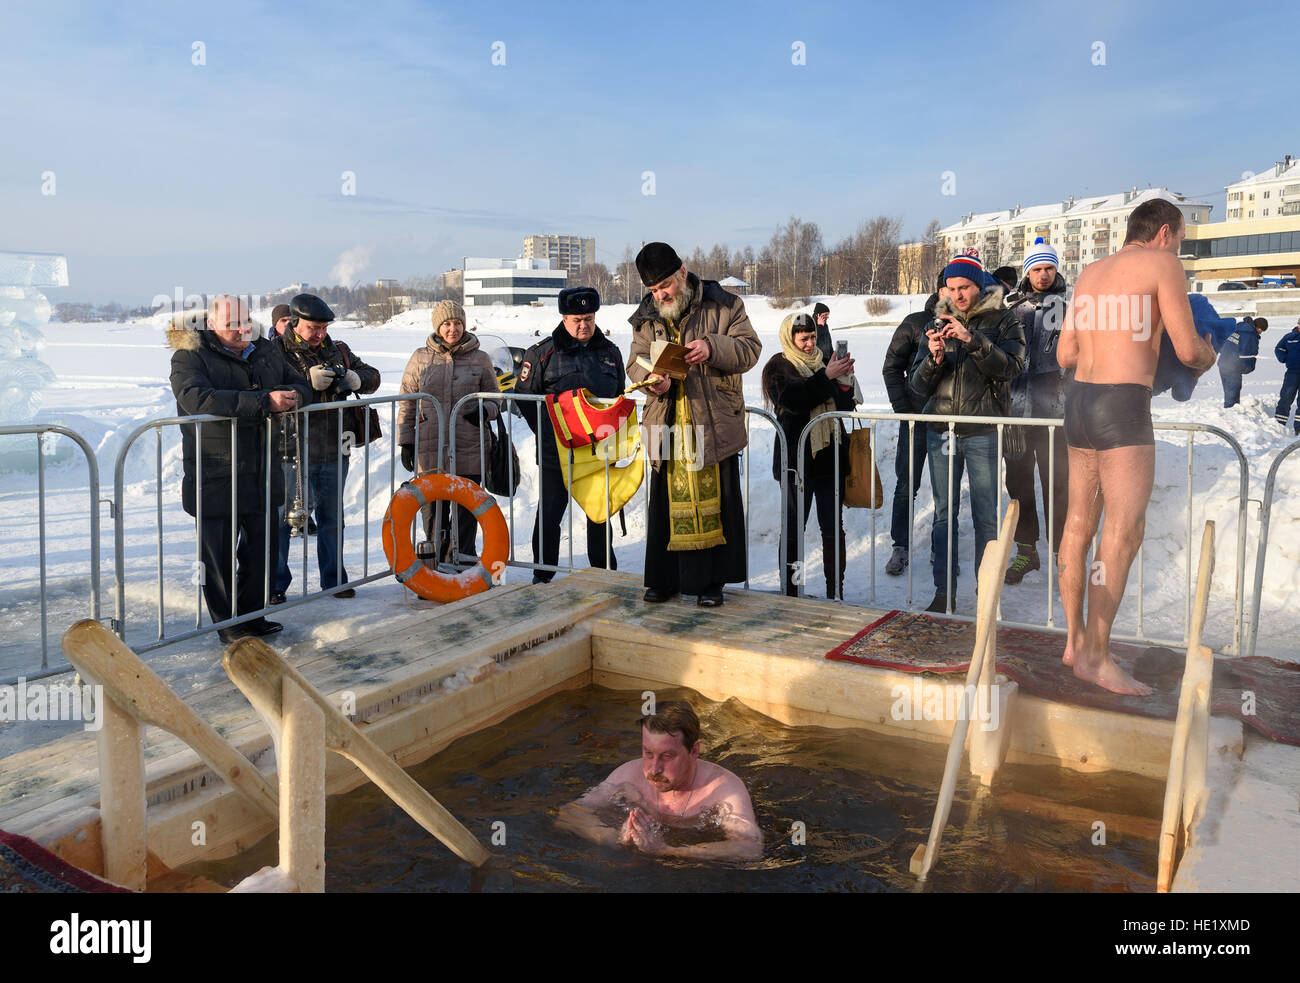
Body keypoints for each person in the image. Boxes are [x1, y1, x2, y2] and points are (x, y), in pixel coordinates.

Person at [1056, 198, 1216, 695]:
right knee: (1122, 532)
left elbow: (1065, 353)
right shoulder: (1163, 263)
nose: (1181, 246)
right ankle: (1097, 657)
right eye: (1183, 237)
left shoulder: (1089, 273)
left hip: (1078, 401)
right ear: (1165, 232)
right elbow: (1189, 349)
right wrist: (1208, 354)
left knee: (1079, 522)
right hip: (1122, 406)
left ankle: (1075, 642)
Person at [168, 295, 310, 643]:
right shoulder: (189, 354)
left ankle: (253, 615)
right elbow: (196, 398)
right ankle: (228, 625)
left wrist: (294, 397)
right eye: (232, 324)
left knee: (260, 550)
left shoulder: (264, 349)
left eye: (246, 320)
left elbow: (299, 384)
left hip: (261, 465)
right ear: (212, 324)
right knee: (216, 557)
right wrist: (264, 402)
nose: (243, 329)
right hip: (216, 468)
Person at [627, 242, 761, 607]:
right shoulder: (647, 315)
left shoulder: (725, 303)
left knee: (716, 501)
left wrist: (713, 348)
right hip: (668, 419)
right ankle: (664, 579)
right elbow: (634, 361)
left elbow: (750, 349)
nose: (660, 295)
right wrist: (653, 377)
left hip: (712, 420)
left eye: (665, 286)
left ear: (682, 274)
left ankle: (711, 584)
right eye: (653, 290)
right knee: (667, 506)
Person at [908, 252, 1025, 614]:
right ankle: (945, 594)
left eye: (965, 288)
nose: (958, 295)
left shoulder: (1004, 319)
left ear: (979, 286)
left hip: (982, 430)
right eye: (952, 288)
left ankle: (986, 594)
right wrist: (934, 359)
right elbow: (916, 386)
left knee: (985, 515)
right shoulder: (936, 320)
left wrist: (973, 340)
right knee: (944, 514)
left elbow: (1013, 369)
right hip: (941, 429)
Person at [270, 293, 380, 604]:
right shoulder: (276, 351)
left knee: (333, 517)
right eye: (312, 328)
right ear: (294, 322)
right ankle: (276, 583)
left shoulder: (338, 349)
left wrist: (356, 379)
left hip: (334, 446)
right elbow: (267, 388)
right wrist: (306, 380)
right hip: (291, 448)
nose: (320, 334)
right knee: (284, 517)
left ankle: (334, 579)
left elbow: (373, 376)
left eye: (324, 327)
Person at [555, 700, 762, 861]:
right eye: (648, 753)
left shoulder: (724, 789)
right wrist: (613, 838)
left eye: (667, 756)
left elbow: (749, 847)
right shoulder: (628, 776)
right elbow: (569, 813)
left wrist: (668, 850)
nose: (654, 768)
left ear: (694, 750)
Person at [515, 286, 625, 583]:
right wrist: (549, 435)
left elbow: (618, 397)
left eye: (588, 318)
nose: (583, 325)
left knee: (599, 514)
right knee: (550, 515)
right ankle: (544, 573)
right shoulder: (541, 354)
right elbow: (524, 399)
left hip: (597, 452)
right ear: (564, 318)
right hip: (556, 453)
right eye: (576, 319)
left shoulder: (611, 353)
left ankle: (603, 574)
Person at [763, 312, 859, 597]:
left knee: (832, 528)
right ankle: (793, 590)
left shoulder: (823, 361)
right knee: (794, 530)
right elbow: (793, 401)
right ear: (789, 338)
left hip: (829, 457)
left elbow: (843, 405)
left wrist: (843, 382)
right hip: (796, 461)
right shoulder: (778, 366)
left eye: (812, 338)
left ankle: (834, 591)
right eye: (803, 339)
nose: (809, 344)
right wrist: (826, 377)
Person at [397, 301, 501, 564]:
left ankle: (464, 562)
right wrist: (406, 442)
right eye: (446, 324)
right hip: (431, 446)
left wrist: (483, 410)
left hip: (471, 444)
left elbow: (496, 399)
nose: (452, 329)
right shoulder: (420, 357)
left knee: (467, 507)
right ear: (437, 327)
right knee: (433, 509)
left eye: (457, 323)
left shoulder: (480, 358)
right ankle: (432, 566)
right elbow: (407, 402)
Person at [1002, 238, 1071, 584]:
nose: (1043, 275)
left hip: (1054, 413)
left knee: (1058, 485)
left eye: (1049, 268)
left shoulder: (1067, 305)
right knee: (1018, 485)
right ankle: (1026, 552)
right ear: (1027, 272)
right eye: (1037, 269)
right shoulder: (1010, 306)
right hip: (1016, 411)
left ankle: (1063, 555)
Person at [881, 275, 943, 575]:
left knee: (946, 490)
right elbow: (891, 367)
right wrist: (903, 409)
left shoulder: (968, 325)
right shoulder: (915, 322)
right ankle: (900, 547)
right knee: (906, 485)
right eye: (949, 286)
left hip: (949, 421)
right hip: (915, 420)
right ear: (940, 289)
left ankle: (940, 547)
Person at [1217, 315, 1265, 408]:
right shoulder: (1250, 335)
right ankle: (1231, 415)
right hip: (1233, 366)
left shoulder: (1237, 329)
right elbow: (1249, 355)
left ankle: (1229, 412)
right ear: (1258, 327)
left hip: (1223, 363)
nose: (1261, 332)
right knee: (1233, 392)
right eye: (1261, 330)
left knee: (1228, 391)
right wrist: (1247, 368)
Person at [1275, 319, 1300, 433]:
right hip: (1292, 372)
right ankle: (1279, 425)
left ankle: (1299, 429)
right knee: (1286, 397)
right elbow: (1279, 349)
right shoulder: (1289, 337)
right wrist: (1285, 358)